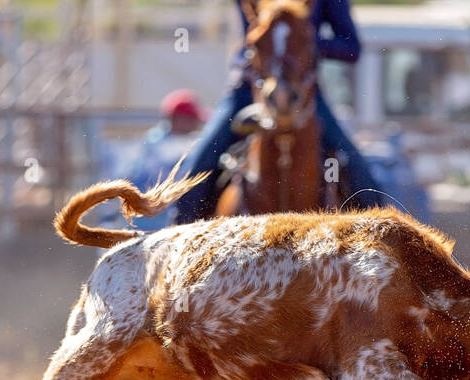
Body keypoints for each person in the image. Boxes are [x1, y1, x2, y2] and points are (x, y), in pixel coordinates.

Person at [173, 0, 383, 224]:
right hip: (248, 89)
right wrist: (274, 40)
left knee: (356, 166)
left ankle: (378, 238)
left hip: (303, 93)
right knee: (200, 162)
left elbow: (351, 48)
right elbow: (252, 37)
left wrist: (302, 40)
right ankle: (177, 238)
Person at [105, 89, 207, 231]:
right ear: (177, 119)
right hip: (148, 223)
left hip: (157, 219)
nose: (196, 124)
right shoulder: (158, 143)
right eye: (192, 120)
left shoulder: (160, 139)